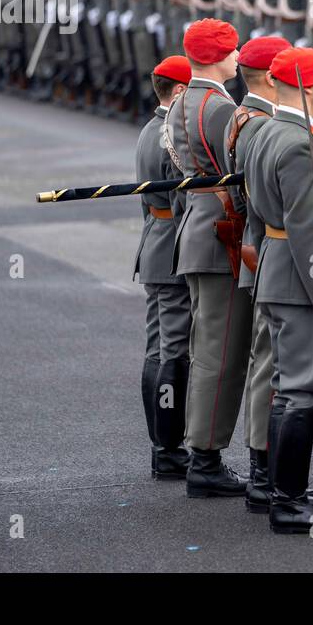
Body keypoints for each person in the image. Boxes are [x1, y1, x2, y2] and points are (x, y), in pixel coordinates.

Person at [245, 46, 313, 532]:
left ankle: (278, 488)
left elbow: (266, 211)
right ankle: (288, 503)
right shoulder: (298, 142)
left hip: (279, 273)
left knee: (285, 389)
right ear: (307, 85)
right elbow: (305, 225)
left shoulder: (271, 131)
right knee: (304, 392)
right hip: (301, 280)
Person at [163, 18, 251, 498]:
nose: (237, 58)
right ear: (218, 55)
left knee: (207, 351)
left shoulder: (179, 103)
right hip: (219, 237)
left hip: (194, 230)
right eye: (233, 50)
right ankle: (206, 459)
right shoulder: (218, 106)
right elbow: (234, 175)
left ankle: (203, 452)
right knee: (221, 356)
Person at [228, 35, 291, 513]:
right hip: (268, 251)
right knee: (269, 365)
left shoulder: (246, 116)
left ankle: (265, 466)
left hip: (262, 250)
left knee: (268, 362)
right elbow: (262, 199)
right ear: (273, 76)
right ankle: (260, 468)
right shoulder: (259, 124)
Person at [135, 55, 193, 480]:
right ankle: (168, 449)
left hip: (155, 244)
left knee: (158, 349)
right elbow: (183, 202)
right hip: (172, 248)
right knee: (173, 353)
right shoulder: (172, 134)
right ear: (178, 92)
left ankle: (162, 444)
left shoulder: (150, 129)